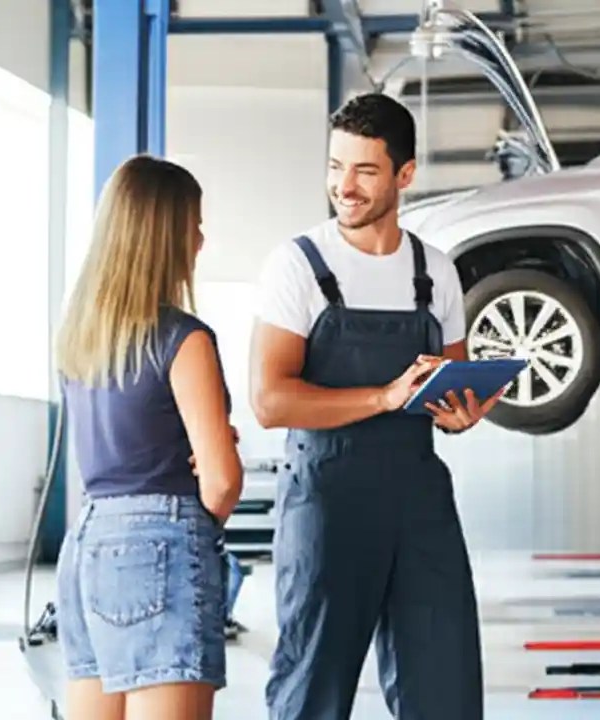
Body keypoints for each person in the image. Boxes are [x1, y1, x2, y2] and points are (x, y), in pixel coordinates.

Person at [250, 92, 499, 720]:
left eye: (364, 170)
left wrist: (462, 412)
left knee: (446, 684)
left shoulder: (434, 272)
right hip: (328, 499)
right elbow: (270, 399)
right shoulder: (298, 265)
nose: (345, 187)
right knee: (314, 687)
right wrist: (385, 397)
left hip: (419, 498)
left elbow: (452, 382)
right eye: (336, 167)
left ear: (404, 175)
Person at [54, 155, 243, 720]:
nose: (201, 239)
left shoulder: (79, 340)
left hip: (87, 542)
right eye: (193, 223)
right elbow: (222, 482)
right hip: (160, 540)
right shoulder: (184, 339)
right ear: (164, 233)